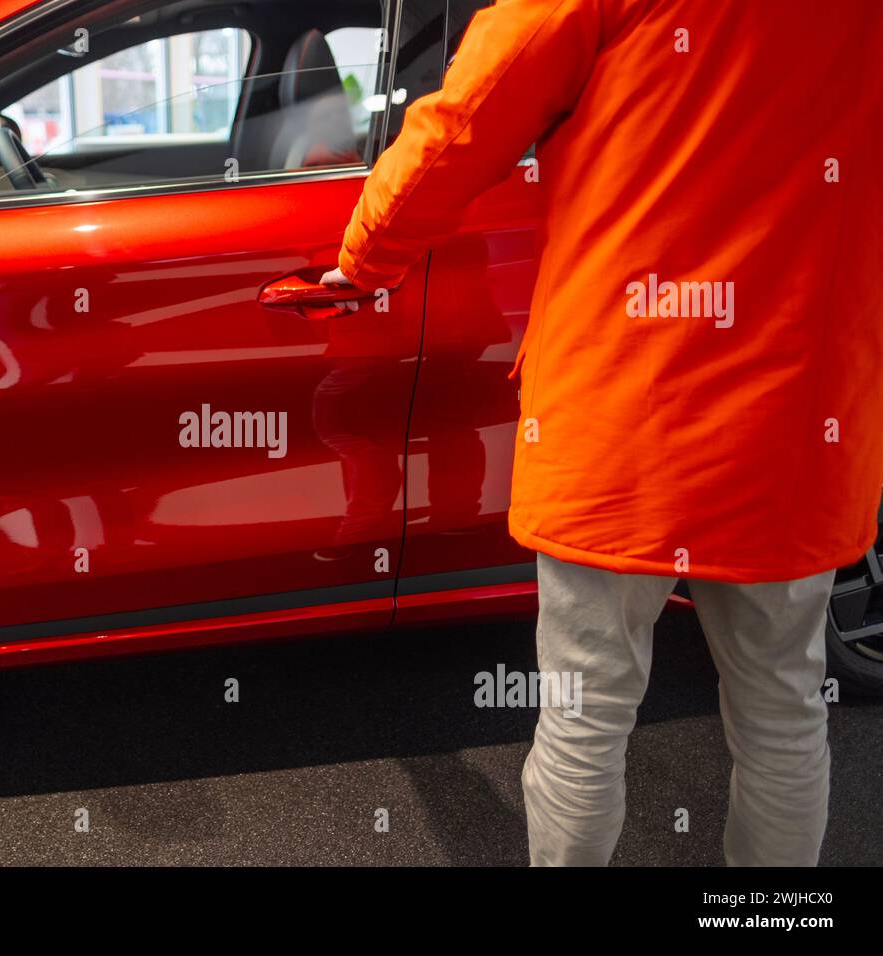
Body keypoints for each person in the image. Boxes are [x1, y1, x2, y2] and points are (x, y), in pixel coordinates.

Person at [323, 0, 883, 865]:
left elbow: (464, 121)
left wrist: (366, 256)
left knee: (585, 720)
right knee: (783, 713)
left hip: (626, 410)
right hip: (796, 415)